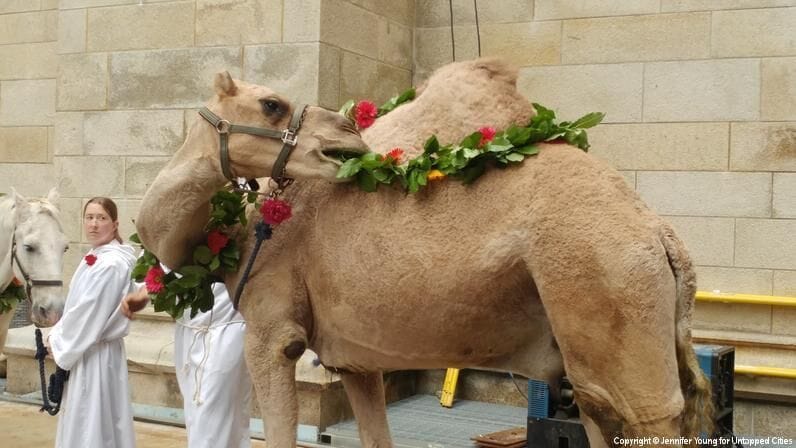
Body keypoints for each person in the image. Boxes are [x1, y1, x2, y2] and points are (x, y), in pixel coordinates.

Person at [47, 197, 137, 448]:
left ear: (115, 224)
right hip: (89, 349)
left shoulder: (111, 263)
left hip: (94, 353)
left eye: (101, 218)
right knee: (98, 419)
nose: (94, 224)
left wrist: (56, 338)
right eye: (89, 217)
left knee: (92, 420)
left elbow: (89, 312)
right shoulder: (98, 256)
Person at [122, 278, 252, 448]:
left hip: (226, 326)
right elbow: (162, 260)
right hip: (189, 328)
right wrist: (147, 290)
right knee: (197, 417)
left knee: (212, 418)